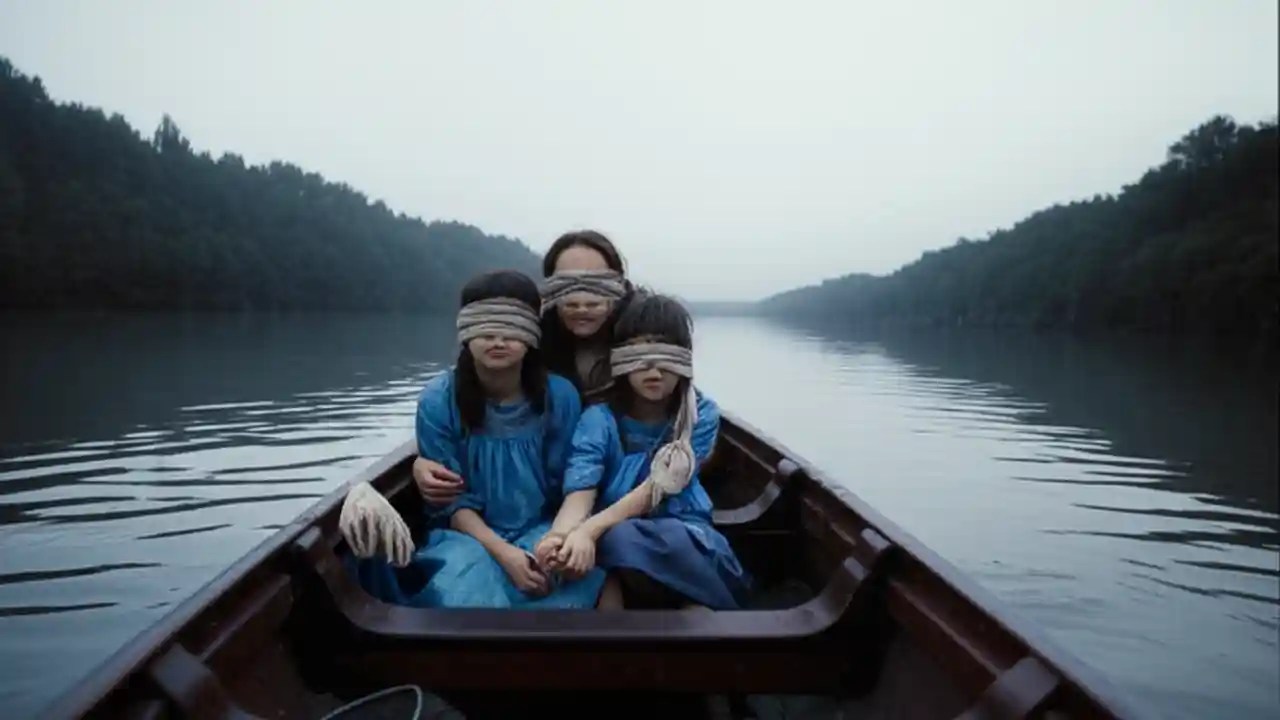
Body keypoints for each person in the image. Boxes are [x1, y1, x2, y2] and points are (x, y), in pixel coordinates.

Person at [338, 270, 605, 608]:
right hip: (465, 534)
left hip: (543, 525)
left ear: (532, 334)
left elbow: (569, 483)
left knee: (560, 582)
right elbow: (451, 501)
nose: (498, 342)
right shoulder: (438, 400)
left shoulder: (560, 396)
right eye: (485, 330)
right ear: (465, 332)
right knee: (465, 594)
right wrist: (504, 553)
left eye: (512, 330)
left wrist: (555, 539)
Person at [536, 292, 752, 610]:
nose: (654, 372)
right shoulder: (599, 419)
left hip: (682, 531)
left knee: (624, 538)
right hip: (611, 532)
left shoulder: (698, 415)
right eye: (639, 356)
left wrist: (590, 529)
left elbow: (659, 486)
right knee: (603, 550)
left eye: (667, 356)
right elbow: (581, 489)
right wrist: (560, 536)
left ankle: (695, 605)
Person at [411, 229, 631, 507]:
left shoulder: (644, 334)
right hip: (557, 493)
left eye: (595, 283)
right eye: (567, 284)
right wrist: (421, 461)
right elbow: (467, 396)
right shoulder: (528, 341)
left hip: (620, 480)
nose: (582, 297)